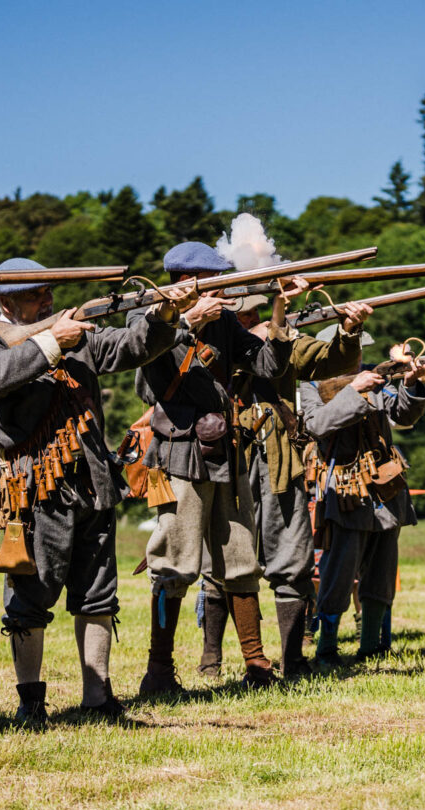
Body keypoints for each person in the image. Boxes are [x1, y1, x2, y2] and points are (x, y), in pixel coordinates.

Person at [0, 258, 188, 725]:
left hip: (91, 479)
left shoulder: (78, 335)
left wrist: (165, 315)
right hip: (32, 486)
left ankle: (98, 697)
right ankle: (31, 703)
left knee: (97, 594)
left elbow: (132, 346)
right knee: (30, 594)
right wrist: (50, 343)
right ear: (6, 301)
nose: (47, 300)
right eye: (35, 295)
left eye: (48, 292)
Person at [130, 242, 311, 693]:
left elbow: (268, 364)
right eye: (212, 280)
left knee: (240, 558)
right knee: (173, 562)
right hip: (178, 453)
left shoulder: (227, 321)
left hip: (226, 451)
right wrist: (188, 322)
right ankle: (158, 671)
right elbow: (143, 383)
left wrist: (280, 311)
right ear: (185, 281)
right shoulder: (149, 318)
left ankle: (255, 662)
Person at [194, 302, 374, 680]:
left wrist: (348, 330)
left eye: (255, 313)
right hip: (227, 457)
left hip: (280, 459)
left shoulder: (285, 339)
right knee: (220, 559)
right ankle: (212, 658)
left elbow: (330, 361)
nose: (250, 320)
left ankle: (293, 660)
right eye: (244, 316)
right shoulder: (204, 338)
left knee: (292, 560)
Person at [298, 348, 425, 665]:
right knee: (337, 574)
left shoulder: (378, 375)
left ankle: (374, 645)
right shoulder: (312, 384)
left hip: (386, 486)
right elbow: (317, 425)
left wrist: (411, 383)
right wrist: (354, 390)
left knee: (382, 572)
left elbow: (403, 415)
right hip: (345, 489)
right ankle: (327, 648)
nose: (356, 356)